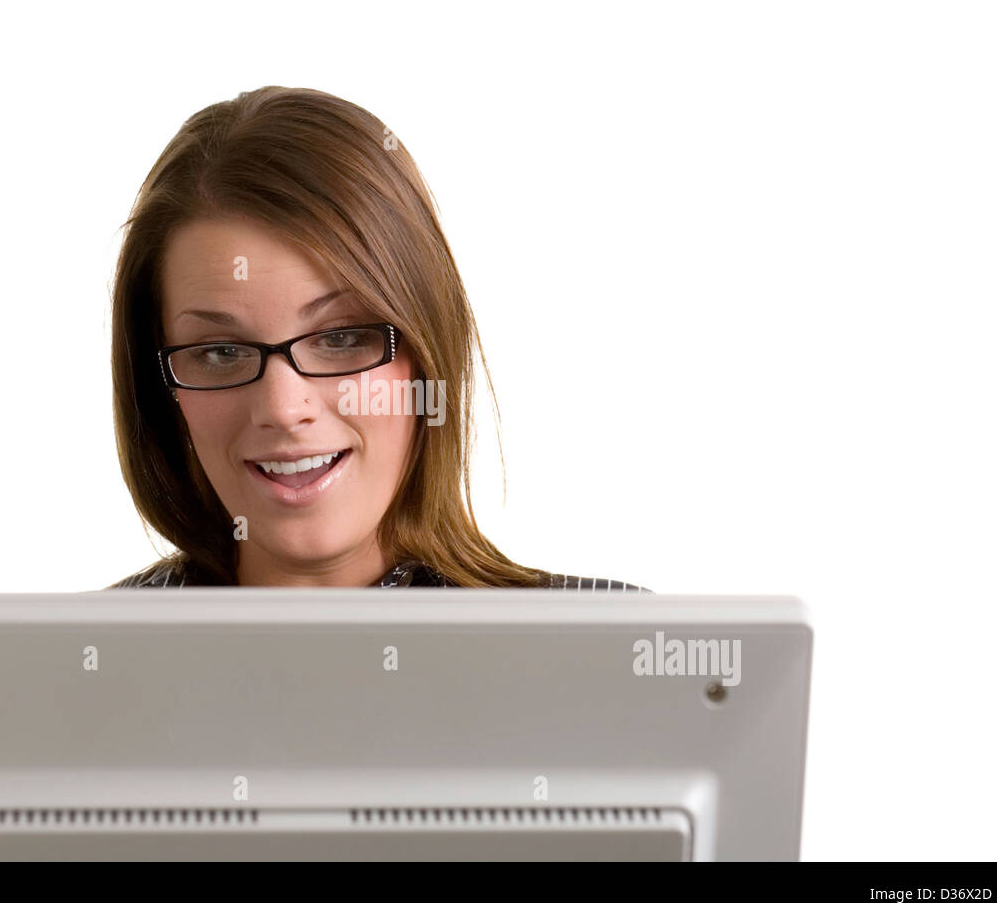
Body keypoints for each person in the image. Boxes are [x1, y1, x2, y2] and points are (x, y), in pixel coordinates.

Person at [106, 86, 648, 592]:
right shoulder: (65, 670)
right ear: (161, 392)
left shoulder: (619, 652)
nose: (284, 409)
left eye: (340, 338)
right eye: (220, 353)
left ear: (425, 352)